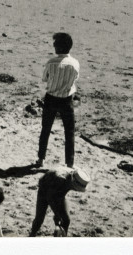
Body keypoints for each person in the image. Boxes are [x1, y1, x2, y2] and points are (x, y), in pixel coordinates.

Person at [34, 32, 80, 168]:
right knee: (69, 132)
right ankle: (69, 163)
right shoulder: (75, 63)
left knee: (46, 129)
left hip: (51, 99)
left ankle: (41, 159)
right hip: (67, 100)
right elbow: (75, 79)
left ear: (58, 47)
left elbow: (45, 79)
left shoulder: (51, 62)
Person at [29, 167, 90, 237]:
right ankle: (32, 234)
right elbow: (50, 198)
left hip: (59, 192)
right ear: (74, 183)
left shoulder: (74, 177)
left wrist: (59, 214)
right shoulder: (59, 179)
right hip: (44, 189)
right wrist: (57, 214)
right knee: (39, 219)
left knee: (66, 219)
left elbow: (62, 194)